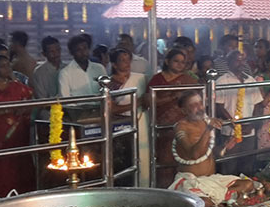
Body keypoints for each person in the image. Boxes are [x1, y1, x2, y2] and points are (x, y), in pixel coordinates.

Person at [169, 92, 266, 207]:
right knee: (202, 203)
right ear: (184, 110)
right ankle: (224, 200)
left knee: (247, 184)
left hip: (211, 180)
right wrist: (208, 129)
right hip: (191, 180)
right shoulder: (181, 127)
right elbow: (194, 155)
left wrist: (225, 147)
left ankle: (219, 201)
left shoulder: (205, 123)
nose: (199, 108)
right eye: (193, 105)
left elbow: (212, 152)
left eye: (200, 103)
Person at [0, 54, 34, 196]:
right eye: (2, 66)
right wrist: (7, 110)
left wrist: (23, 109)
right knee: (1, 164)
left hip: (18, 132)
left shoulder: (18, 86)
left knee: (19, 163)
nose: (7, 68)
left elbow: (30, 102)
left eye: (8, 65)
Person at [147, 48, 197, 186]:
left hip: (185, 126)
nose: (180, 65)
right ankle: (165, 191)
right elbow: (147, 101)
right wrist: (172, 96)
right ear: (167, 61)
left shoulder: (189, 80)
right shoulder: (157, 79)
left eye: (183, 62)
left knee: (186, 160)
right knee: (165, 160)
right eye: (176, 61)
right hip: (163, 128)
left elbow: (197, 100)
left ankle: (185, 190)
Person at [214, 50, 264, 177]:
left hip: (249, 131)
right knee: (229, 167)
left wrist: (251, 124)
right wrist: (236, 125)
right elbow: (219, 107)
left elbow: (257, 104)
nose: (240, 63)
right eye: (237, 60)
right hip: (230, 132)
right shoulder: (222, 81)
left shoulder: (250, 80)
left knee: (247, 165)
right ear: (229, 63)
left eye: (242, 60)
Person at [108, 48, 150, 186]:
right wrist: (137, 103)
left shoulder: (140, 78)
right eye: (122, 60)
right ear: (114, 64)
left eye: (128, 60)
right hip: (121, 124)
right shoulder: (110, 83)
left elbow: (148, 99)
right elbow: (111, 108)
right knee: (124, 158)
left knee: (143, 156)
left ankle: (144, 185)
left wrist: (143, 103)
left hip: (141, 120)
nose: (127, 63)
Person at [58, 34, 107, 99]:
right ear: (72, 53)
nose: (83, 52)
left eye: (85, 48)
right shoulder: (65, 73)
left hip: (100, 105)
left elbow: (106, 91)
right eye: (78, 50)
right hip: (78, 105)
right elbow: (65, 99)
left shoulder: (99, 68)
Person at [31, 36, 64, 100]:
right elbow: (41, 98)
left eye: (58, 50)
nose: (56, 54)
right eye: (52, 52)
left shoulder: (66, 68)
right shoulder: (39, 72)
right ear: (44, 54)